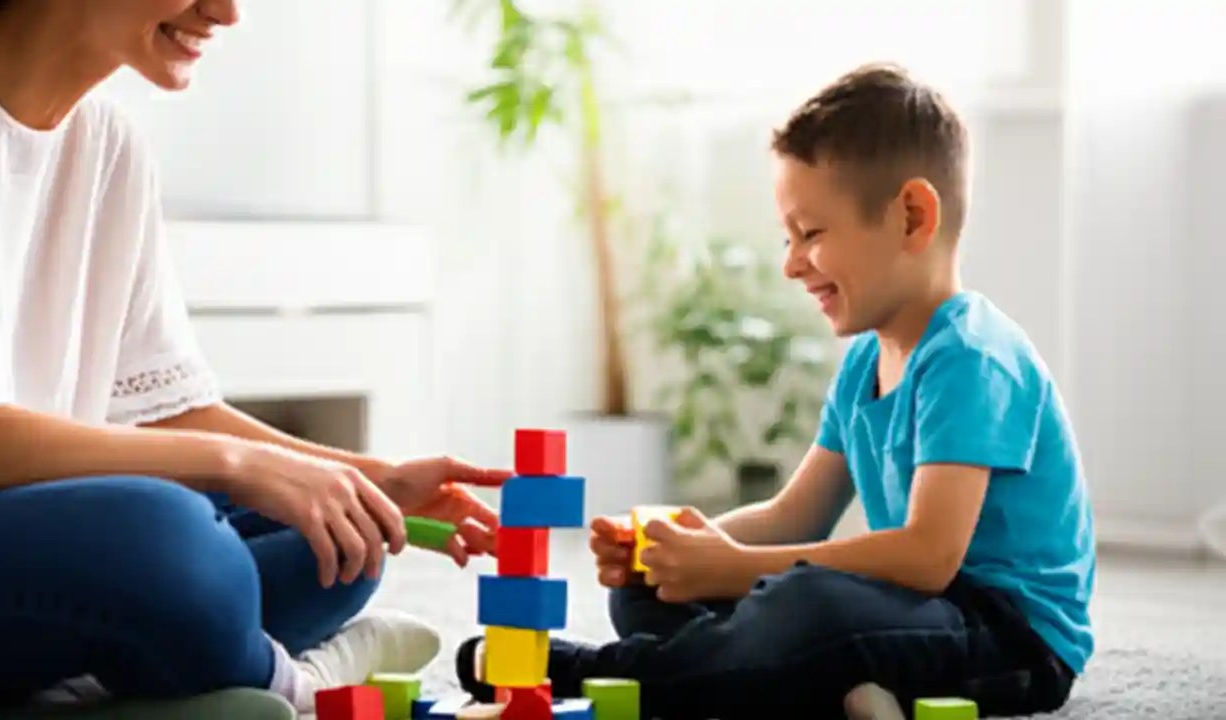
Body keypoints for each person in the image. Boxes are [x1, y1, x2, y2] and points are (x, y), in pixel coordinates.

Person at [455, 63, 1095, 718]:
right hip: (909, 618)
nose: (791, 263)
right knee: (653, 594)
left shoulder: (972, 358)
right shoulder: (865, 363)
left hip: (1008, 639)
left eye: (811, 235)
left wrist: (729, 568)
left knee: (811, 606)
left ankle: (586, 672)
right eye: (788, 239)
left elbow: (928, 557)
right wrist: (684, 546)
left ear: (911, 216)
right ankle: (827, 690)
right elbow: (794, 516)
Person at [0, 0, 510, 715]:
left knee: (333, 532)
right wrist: (238, 465)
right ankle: (297, 688)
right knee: (164, 540)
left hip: (29, 544)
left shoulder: (108, 145)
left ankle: (135, 676)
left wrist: (368, 478)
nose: (227, 11)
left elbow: (161, 413)